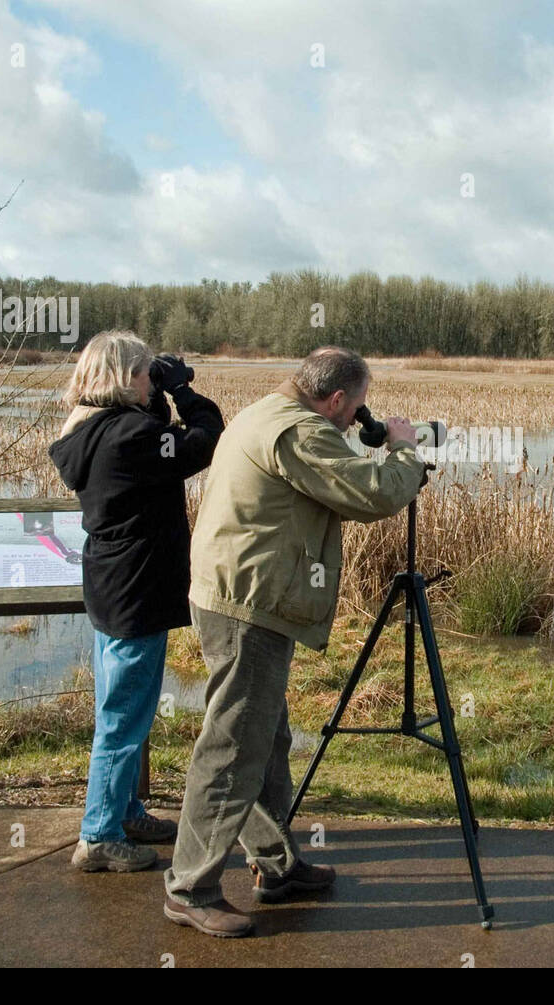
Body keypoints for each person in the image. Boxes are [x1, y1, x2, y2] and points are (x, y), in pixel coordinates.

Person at [163, 345, 426, 937]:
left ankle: (277, 864)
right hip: (248, 606)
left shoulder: (267, 410)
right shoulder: (299, 434)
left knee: (264, 735)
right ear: (335, 399)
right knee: (232, 745)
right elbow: (375, 494)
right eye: (355, 408)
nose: (357, 418)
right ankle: (189, 887)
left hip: (236, 593)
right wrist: (404, 448)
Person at [49, 331, 225, 872]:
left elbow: (166, 438)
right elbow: (204, 439)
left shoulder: (88, 430)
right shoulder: (131, 436)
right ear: (127, 377)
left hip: (110, 585)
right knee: (124, 715)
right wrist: (184, 393)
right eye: (147, 372)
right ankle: (98, 835)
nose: (155, 380)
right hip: (137, 590)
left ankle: (124, 810)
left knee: (117, 706)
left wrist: (159, 390)